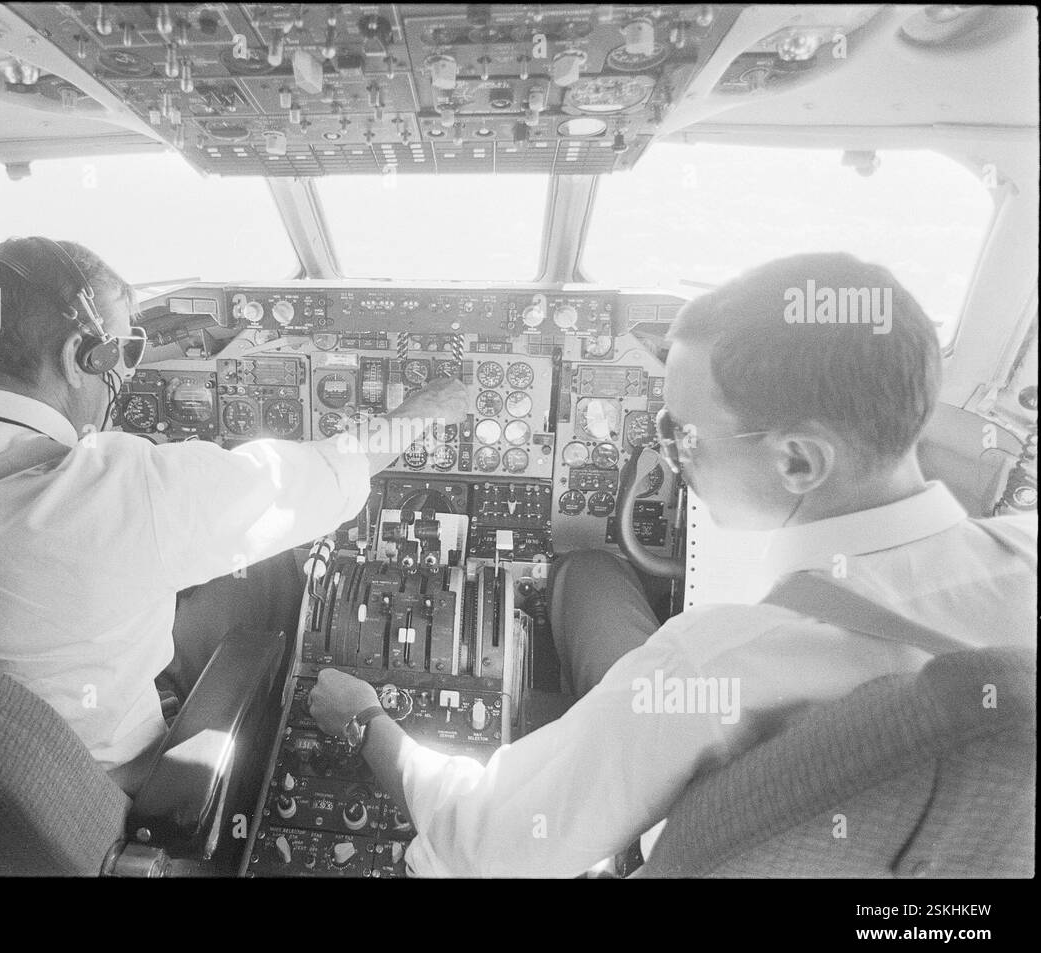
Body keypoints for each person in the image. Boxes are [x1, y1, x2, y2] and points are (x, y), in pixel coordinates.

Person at [308, 252, 1037, 877]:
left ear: (797, 458)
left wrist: (366, 719)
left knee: (582, 578)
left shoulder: (714, 663)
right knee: (590, 570)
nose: (665, 450)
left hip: (658, 843)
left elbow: (484, 841)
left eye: (680, 431)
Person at [0, 236, 467, 792]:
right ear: (80, 355)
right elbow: (319, 477)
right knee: (265, 574)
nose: (125, 374)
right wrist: (425, 413)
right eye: (125, 352)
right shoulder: (135, 489)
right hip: (88, 791)